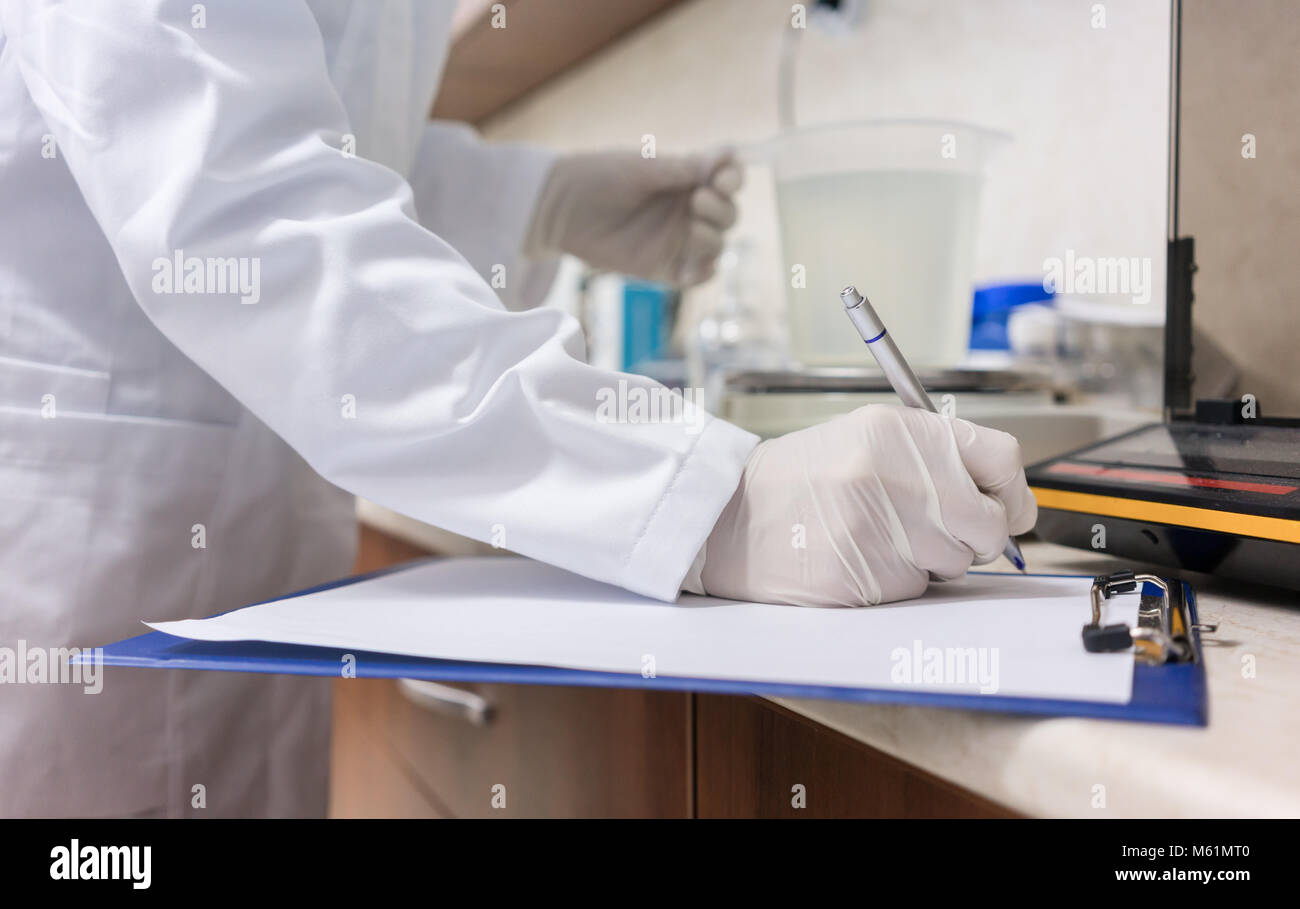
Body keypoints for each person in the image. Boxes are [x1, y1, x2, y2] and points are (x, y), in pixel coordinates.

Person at [0, 0, 1035, 817]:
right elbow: (238, 209)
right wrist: (713, 503)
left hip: (233, 510)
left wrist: (535, 198)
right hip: (81, 531)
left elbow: (305, 132)